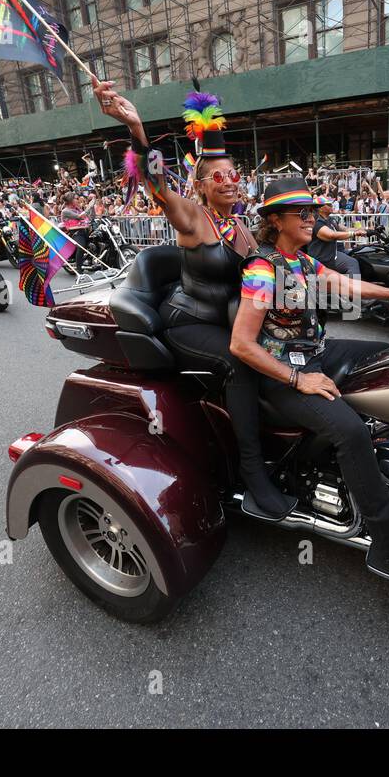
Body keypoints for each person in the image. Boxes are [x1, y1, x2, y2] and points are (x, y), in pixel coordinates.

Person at [229, 178, 389, 600]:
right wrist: (299, 380)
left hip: (315, 351)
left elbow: (344, 284)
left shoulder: (301, 261)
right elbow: (241, 344)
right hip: (282, 371)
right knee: (350, 432)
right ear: (276, 221)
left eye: (313, 212)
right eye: (302, 213)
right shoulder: (263, 270)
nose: (312, 218)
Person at [94, 82, 296, 518]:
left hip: (225, 320)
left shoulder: (241, 227)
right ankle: (252, 474)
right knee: (242, 361)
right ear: (201, 187)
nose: (228, 182)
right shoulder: (192, 216)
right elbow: (155, 183)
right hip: (187, 322)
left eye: (233, 175)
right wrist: (136, 127)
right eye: (217, 177)